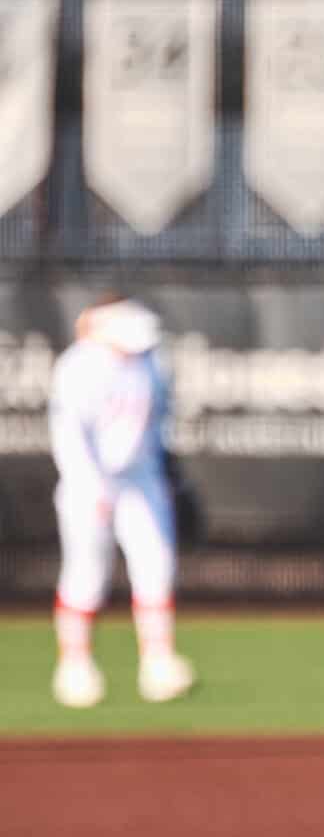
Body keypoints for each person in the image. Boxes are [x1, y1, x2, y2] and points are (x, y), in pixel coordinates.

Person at [49, 293, 196, 708]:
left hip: (140, 479)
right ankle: (75, 666)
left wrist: (167, 476)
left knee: (156, 565)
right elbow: (69, 436)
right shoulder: (79, 366)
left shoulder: (149, 362)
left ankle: (158, 662)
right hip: (89, 481)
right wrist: (90, 486)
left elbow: (156, 426)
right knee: (86, 573)